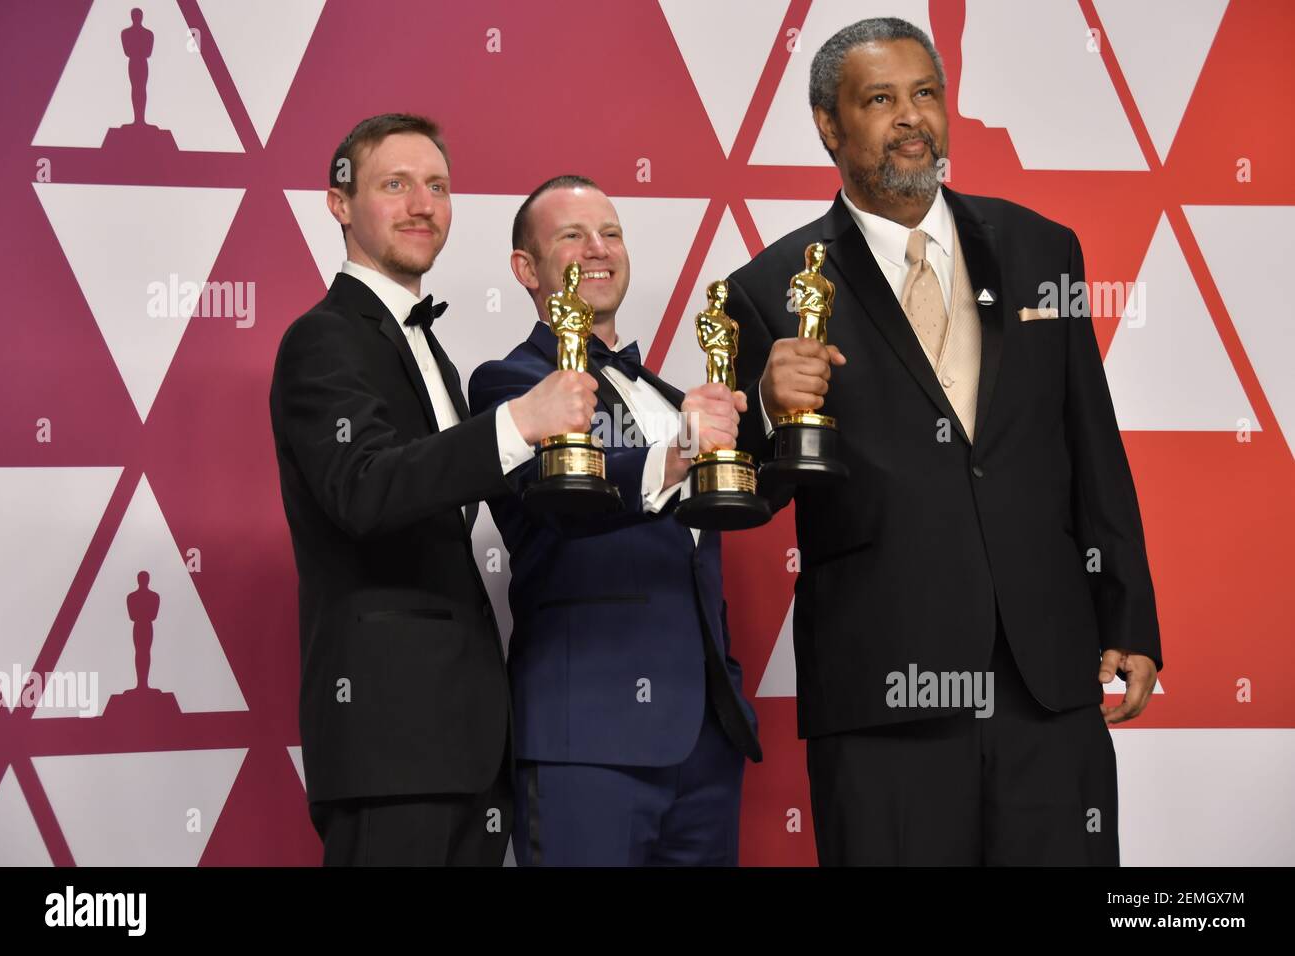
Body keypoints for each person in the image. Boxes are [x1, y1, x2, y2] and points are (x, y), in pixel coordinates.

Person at [725, 19, 1163, 865]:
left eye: (925, 93)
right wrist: (767, 408)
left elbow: (1091, 444)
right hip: (884, 694)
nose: (911, 117)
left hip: (1047, 679)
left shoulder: (1044, 248)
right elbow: (745, 494)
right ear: (828, 123)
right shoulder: (766, 290)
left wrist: (1131, 615)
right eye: (880, 99)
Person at [269, 114, 597, 866]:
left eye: (438, 186)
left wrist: (669, 472)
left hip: (467, 745)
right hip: (389, 745)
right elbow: (364, 490)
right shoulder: (322, 339)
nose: (422, 204)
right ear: (339, 203)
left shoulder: (431, 353)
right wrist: (517, 422)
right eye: (395, 184)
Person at [469, 175, 762, 866]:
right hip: (588, 743)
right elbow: (563, 492)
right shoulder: (509, 385)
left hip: (707, 747)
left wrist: (765, 412)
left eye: (611, 233)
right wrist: (683, 450)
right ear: (526, 269)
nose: (598, 248)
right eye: (572, 234)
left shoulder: (666, 393)